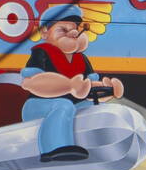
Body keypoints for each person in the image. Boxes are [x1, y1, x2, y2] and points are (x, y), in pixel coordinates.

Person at [20, 11, 124, 162]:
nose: (73, 34)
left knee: (91, 107)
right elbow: (31, 82)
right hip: (37, 106)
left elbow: (88, 87)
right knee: (64, 105)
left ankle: (94, 147)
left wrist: (106, 90)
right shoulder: (42, 53)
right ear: (44, 32)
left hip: (71, 105)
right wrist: (69, 86)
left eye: (76, 29)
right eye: (63, 30)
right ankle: (53, 149)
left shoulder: (81, 58)